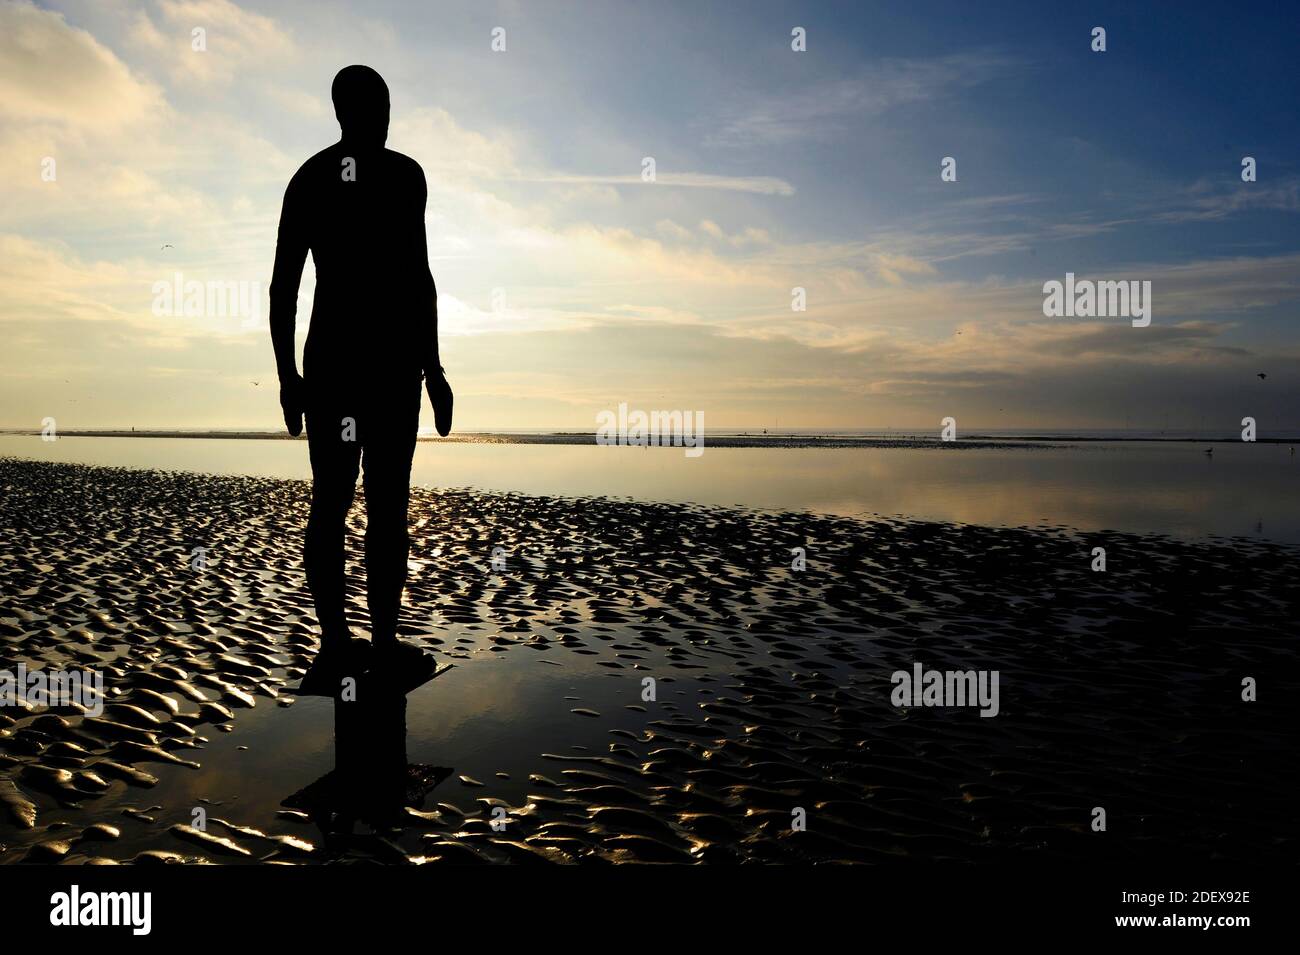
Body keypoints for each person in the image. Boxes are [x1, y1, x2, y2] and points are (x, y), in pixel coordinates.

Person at [269, 65, 451, 675]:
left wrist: (433, 369)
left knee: (388, 503)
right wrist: (287, 376)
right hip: (339, 370)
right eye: (373, 106)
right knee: (334, 499)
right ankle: (335, 642)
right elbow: (283, 288)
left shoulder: (406, 177)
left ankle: (379, 639)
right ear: (345, 111)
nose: (383, 116)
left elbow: (418, 276)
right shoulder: (313, 180)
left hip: (391, 369)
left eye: (387, 105)